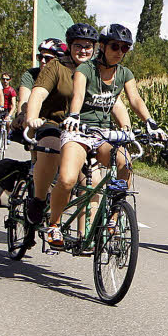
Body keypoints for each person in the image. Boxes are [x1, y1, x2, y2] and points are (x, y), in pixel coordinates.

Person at [47, 23, 164, 248]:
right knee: (68, 179)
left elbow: (135, 99)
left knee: (124, 163)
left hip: (103, 133)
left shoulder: (124, 73)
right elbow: (79, 94)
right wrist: (73, 115)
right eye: (114, 46)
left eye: (125, 48)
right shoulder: (85, 69)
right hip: (79, 130)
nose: (119, 52)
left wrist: (150, 122)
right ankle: (53, 224)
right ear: (102, 46)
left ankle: (113, 216)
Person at [24, 24, 102, 227]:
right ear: (69, 46)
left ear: (95, 48)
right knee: (51, 149)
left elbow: (111, 102)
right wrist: (32, 116)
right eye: (78, 45)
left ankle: (85, 236)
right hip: (53, 123)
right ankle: (39, 201)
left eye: (88, 46)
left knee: (91, 181)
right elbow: (38, 93)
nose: (83, 50)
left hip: (83, 130)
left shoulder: (97, 71)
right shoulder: (56, 66)